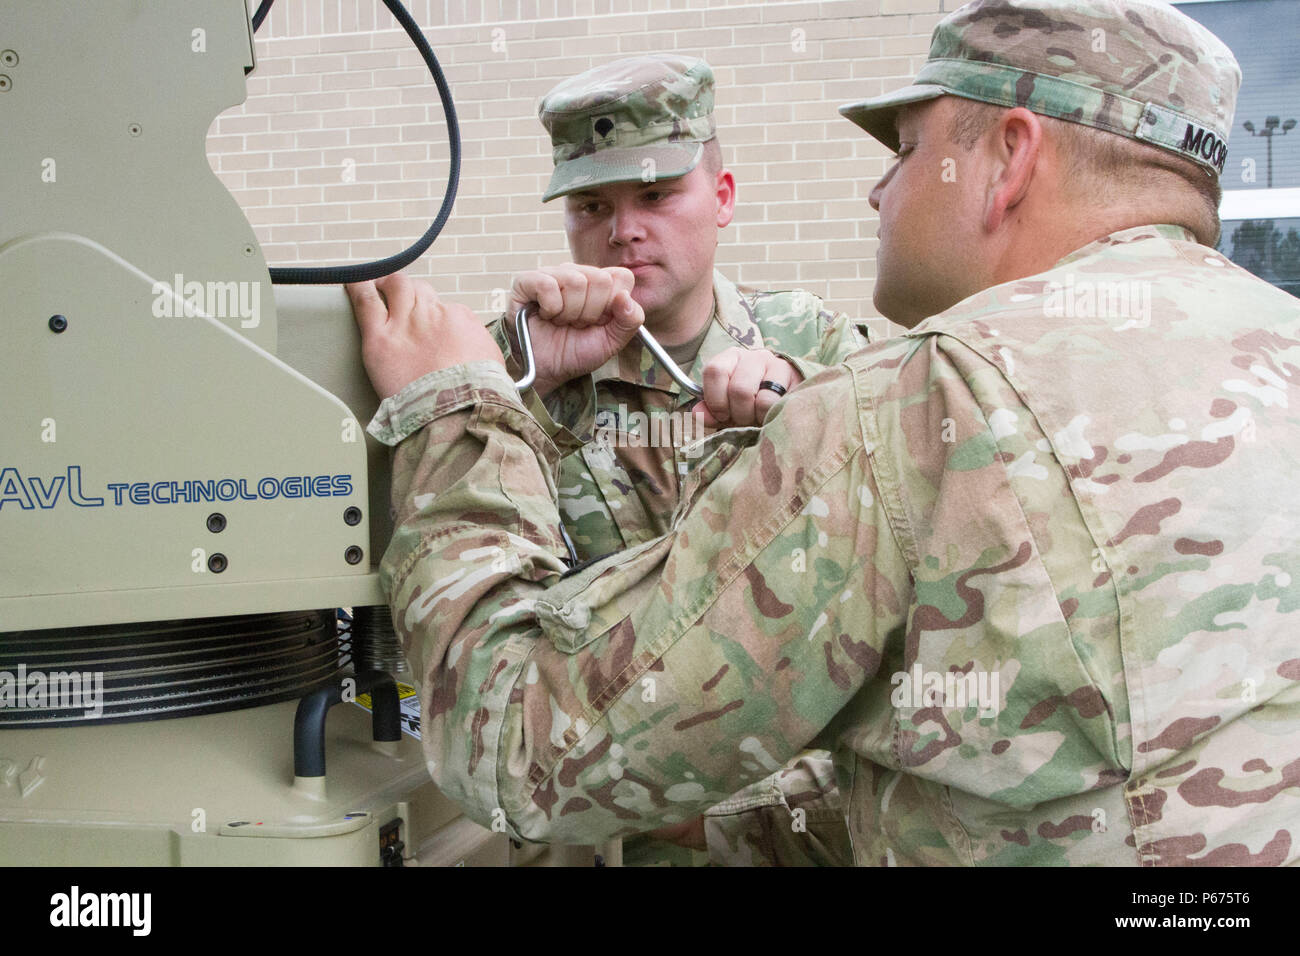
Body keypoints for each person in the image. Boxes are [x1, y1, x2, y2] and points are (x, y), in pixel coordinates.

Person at [348, 0, 1300, 865]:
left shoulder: (910, 402)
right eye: (593, 206)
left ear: (1008, 157)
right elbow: (1011, 775)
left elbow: (515, 742)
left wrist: (456, 411)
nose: (878, 192)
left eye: (908, 148)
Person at [494, 54, 866, 865]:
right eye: (592, 204)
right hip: (586, 830)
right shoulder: (524, 361)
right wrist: (524, 382)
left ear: (722, 199)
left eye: (658, 195)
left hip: (780, 833)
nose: (624, 229)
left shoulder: (812, 345)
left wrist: (801, 396)